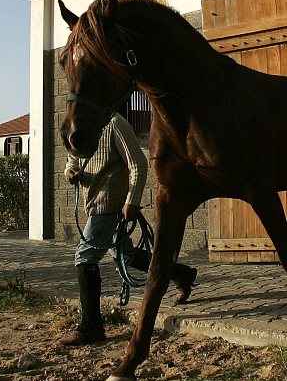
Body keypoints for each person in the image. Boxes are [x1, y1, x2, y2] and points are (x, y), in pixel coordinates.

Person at [62, 111, 197, 345]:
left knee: (84, 258)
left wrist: (132, 200)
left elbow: (137, 163)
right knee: (127, 255)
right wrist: (70, 172)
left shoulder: (116, 123)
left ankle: (90, 326)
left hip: (110, 203)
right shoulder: (81, 123)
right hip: (92, 200)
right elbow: (72, 159)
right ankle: (183, 274)